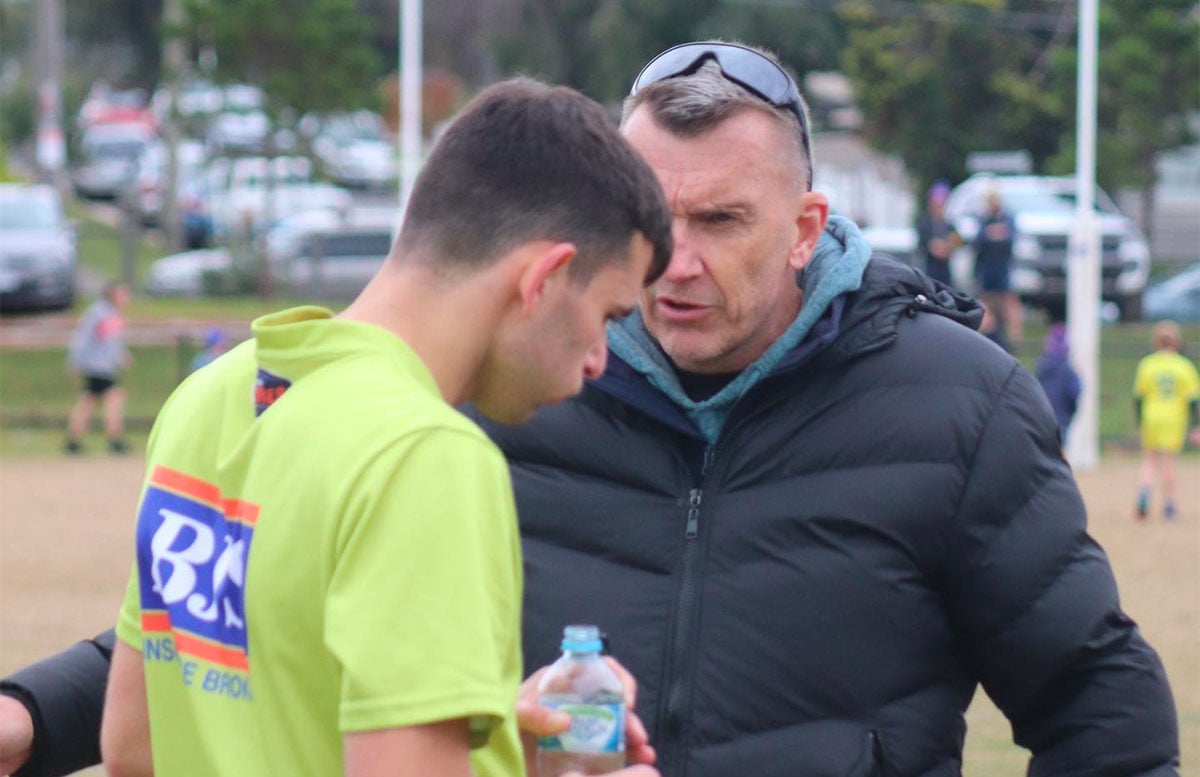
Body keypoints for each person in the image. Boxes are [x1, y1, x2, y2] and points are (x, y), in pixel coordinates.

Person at [0, 43, 1181, 777]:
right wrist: (25, 713)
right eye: (650, 234)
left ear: (807, 228)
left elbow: (1102, 705)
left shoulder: (958, 400)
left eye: (720, 223)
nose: (672, 268)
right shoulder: (470, 406)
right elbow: (270, 603)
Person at [96, 78, 671, 777]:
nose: (600, 361)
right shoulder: (424, 455)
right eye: (610, 316)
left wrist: (485, 741)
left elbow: (134, 748)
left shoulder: (210, 394)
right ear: (544, 277)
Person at [1133, 320, 1200, 522]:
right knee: (1169, 461)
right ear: (1177, 342)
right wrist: (1196, 425)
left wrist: (1139, 423)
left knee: (1150, 459)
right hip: (1173, 417)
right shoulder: (1184, 366)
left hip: (1151, 416)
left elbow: (1138, 397)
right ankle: (1169, 505)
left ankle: (1144, 495)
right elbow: (1193, 400)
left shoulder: (1148, 363)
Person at [64, 281, 132, 455]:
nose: (125, 298)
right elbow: (83, 338)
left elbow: (112, 341)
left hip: (104, 366)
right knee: (114, 398)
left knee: (89, 401)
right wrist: (75, 361)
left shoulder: (111, 313)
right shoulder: (99, 313)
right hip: (97, 366)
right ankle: (114, 439)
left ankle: (73, 440)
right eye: (122, 294)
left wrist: (121, 356)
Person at [972, 188, 1021, 351]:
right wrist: (994, 233)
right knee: (987, 310)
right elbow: (979, 241)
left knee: (1008, 308)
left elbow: (1010, 239)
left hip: (1003, 273)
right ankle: (992, 341)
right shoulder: (984, 220)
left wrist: (993, 234)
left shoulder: (1007, 218)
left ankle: (1011, 344)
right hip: (987, 274)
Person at [1034, 322, 1082, 443]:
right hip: (1062, 418)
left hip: (1041, 418)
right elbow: (1075, 392)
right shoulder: (1068, 370)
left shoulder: (1040, 368)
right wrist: (1071, 411)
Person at [914, 180, 959, 287]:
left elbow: (958, 241)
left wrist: (949, 246)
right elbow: (922, 243)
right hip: (930, 269)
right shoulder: (925, 222)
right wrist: (933, 246)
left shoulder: (948, 223)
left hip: (945, 271)